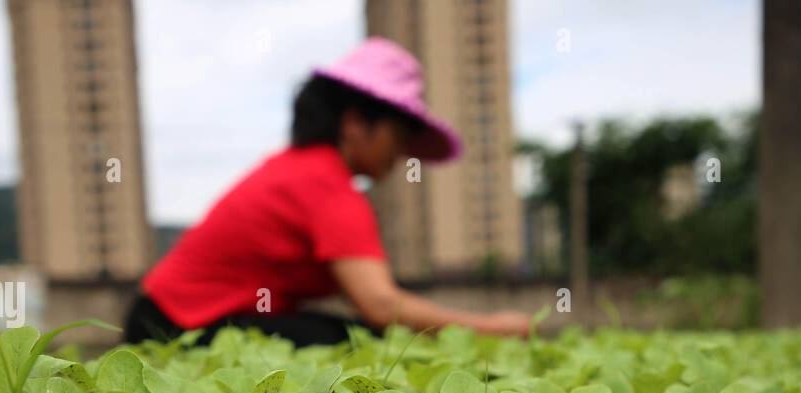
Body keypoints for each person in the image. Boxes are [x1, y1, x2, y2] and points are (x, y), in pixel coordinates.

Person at [123, 37, 533, 347]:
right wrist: (492, 328)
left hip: (163, 317)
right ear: (356, 124)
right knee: (357, 343)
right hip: (175, 327)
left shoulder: (301, 169)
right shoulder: (324, 184)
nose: (400, 154)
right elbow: (380, 305)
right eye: (397, 136)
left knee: (348, 335)